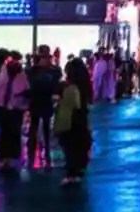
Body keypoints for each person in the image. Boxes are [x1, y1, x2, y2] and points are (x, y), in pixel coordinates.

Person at [55, 57, 93, 185]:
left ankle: (72, 172)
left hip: (70, 120)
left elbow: (69, 106)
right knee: (79, 145)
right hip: (81, 119)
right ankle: (77, 170)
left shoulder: (70, 88)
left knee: (70, 146)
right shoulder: (84, 85)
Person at [0, 56, 29, 170]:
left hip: (16, 110)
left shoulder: (21, 79)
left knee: (14, 134)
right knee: (4, 135)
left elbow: (26, 94)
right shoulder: (3, 79)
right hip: (5, 110)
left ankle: (13, 158)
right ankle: (4, 158)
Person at [27, 54, 60, 167]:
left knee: (37, 127)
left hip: (38, 103)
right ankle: (41, 150)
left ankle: (35, 150)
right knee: (38, 127)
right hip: (42, 103)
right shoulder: (48, 72)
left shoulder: (32, 72)